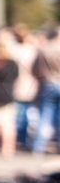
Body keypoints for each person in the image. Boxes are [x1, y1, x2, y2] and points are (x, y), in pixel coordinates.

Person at [10, 24, 40, 150]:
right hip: (29, 82)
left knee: (18, 111)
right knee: (26, 110)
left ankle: (20, 136)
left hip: (17, 82)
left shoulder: (13, 49)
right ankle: (23, 137)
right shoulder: (32, 50)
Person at [32, 27, 60, 156]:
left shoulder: (44, 49)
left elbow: (35, 69)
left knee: (44, 115)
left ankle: (39, 146)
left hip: (48, 83)